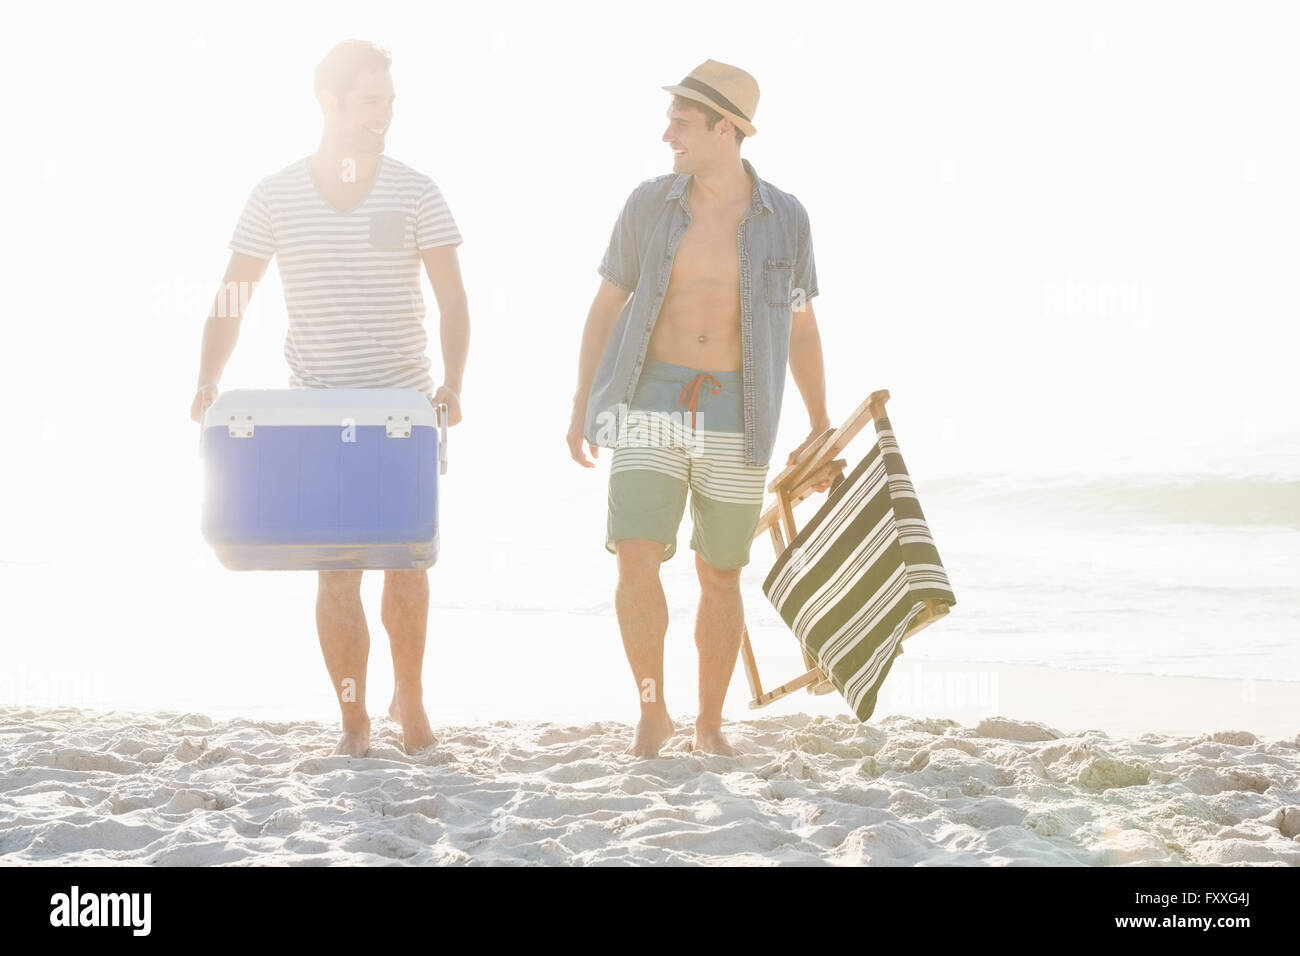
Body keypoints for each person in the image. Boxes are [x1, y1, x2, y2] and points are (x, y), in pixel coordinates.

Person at [189, 40, 470, 757]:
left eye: (389, 102)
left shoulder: (416, 189)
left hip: (404, 411)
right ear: (329, 101)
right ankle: (354, 722)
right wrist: (207, 378)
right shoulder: (276, 193)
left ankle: (410, 705)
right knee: (337, 568)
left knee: (408, 563)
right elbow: (233, 293)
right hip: (316, 410)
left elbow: (454, 301)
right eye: (370, 101)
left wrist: (453, 383)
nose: (384, 115)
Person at [567, 59, 830, 757]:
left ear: (726, 129)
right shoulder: (649, 205)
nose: (666, 136)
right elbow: (605, 306)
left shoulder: (787, 218)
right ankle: (653, 711)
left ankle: (710, 725)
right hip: (649, 400)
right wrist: (579, 404)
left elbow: (801, 325)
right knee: (635, 557)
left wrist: (821, 422)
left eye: (681, 124)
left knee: (720, 573)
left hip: (739, 412)